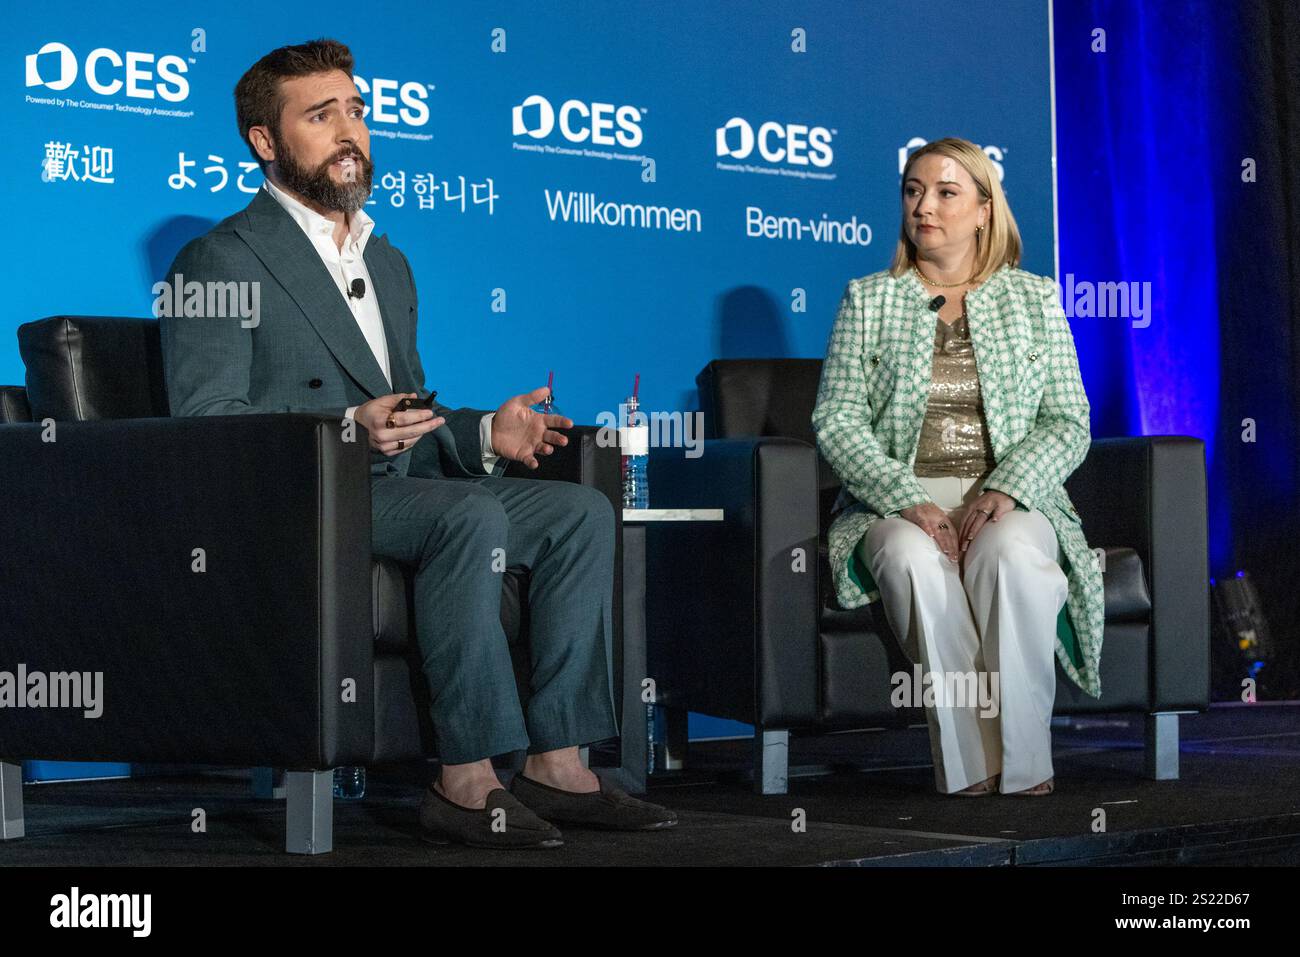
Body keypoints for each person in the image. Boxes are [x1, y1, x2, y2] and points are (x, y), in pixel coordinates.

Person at [158, 38, 676, 847]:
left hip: (394, 489)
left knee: (578, 512)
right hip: (300, 499)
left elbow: (408, 416)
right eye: (320, 115)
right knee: (465, 519)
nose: (349, 132)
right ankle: (465, 779)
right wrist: (341, 429)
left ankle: (559, 762)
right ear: (265, 141)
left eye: (356, 112)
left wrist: (485, 432)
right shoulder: (218, 258)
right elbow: (203, 422)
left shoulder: (389, 263)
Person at [811, 137, 1106, 798]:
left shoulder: (1034, 300)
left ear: (983, 210)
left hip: (1008, 496)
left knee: (1010, 560)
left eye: (945, 192)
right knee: (915, 561)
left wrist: (1007, 487)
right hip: (896, 501)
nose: (924, 206)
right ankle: (972, 768)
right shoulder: (869, 299)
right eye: (913, 190)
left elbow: (1069, 419)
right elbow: (836, 418)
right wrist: (901, 495)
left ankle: (1029, 766)